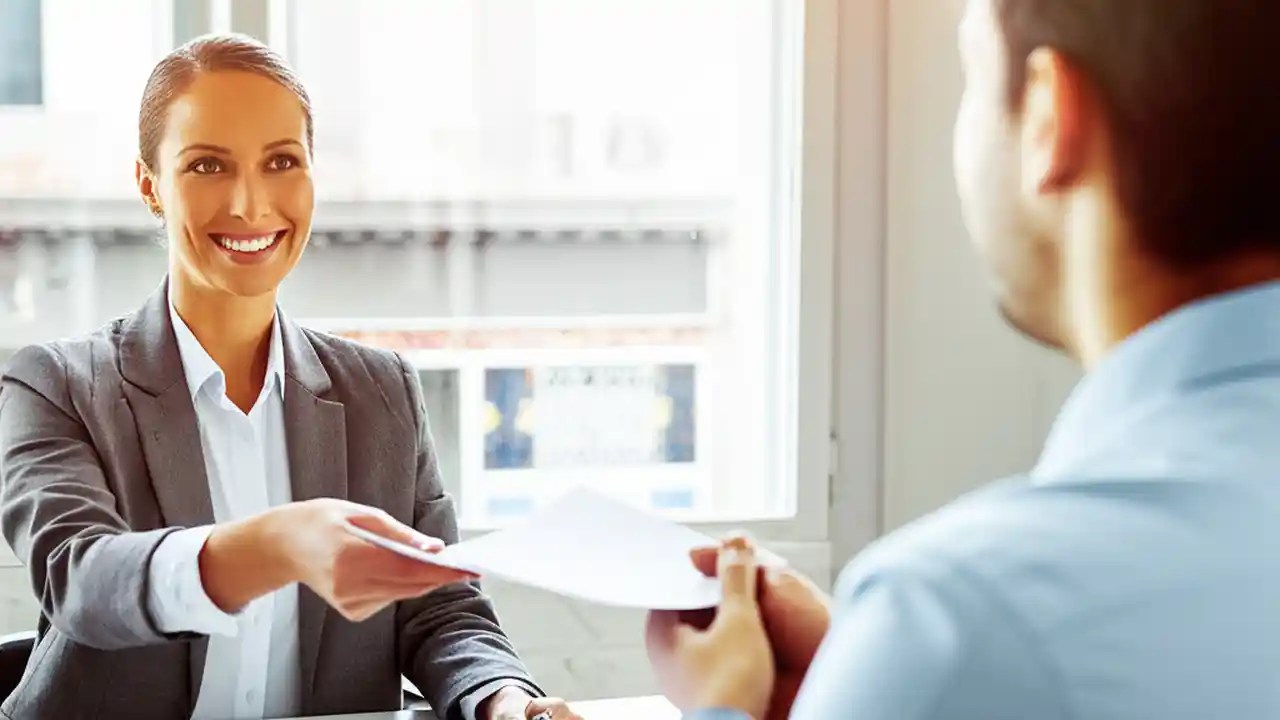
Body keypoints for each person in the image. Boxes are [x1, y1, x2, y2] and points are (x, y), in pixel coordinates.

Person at [646, 0, 1280, 718]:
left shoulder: (967, 617)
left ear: (1048, 113)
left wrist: (725, 707)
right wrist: (864, 675)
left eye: (970, 76)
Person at [0, 34, 581, 720]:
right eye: (208, 165)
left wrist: (504, 702)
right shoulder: (57, 385)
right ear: (149, 184)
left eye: (281, 161)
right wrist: (275, 546)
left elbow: (440, 608)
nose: (250, 204)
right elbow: (83, 583)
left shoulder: (382, 392)